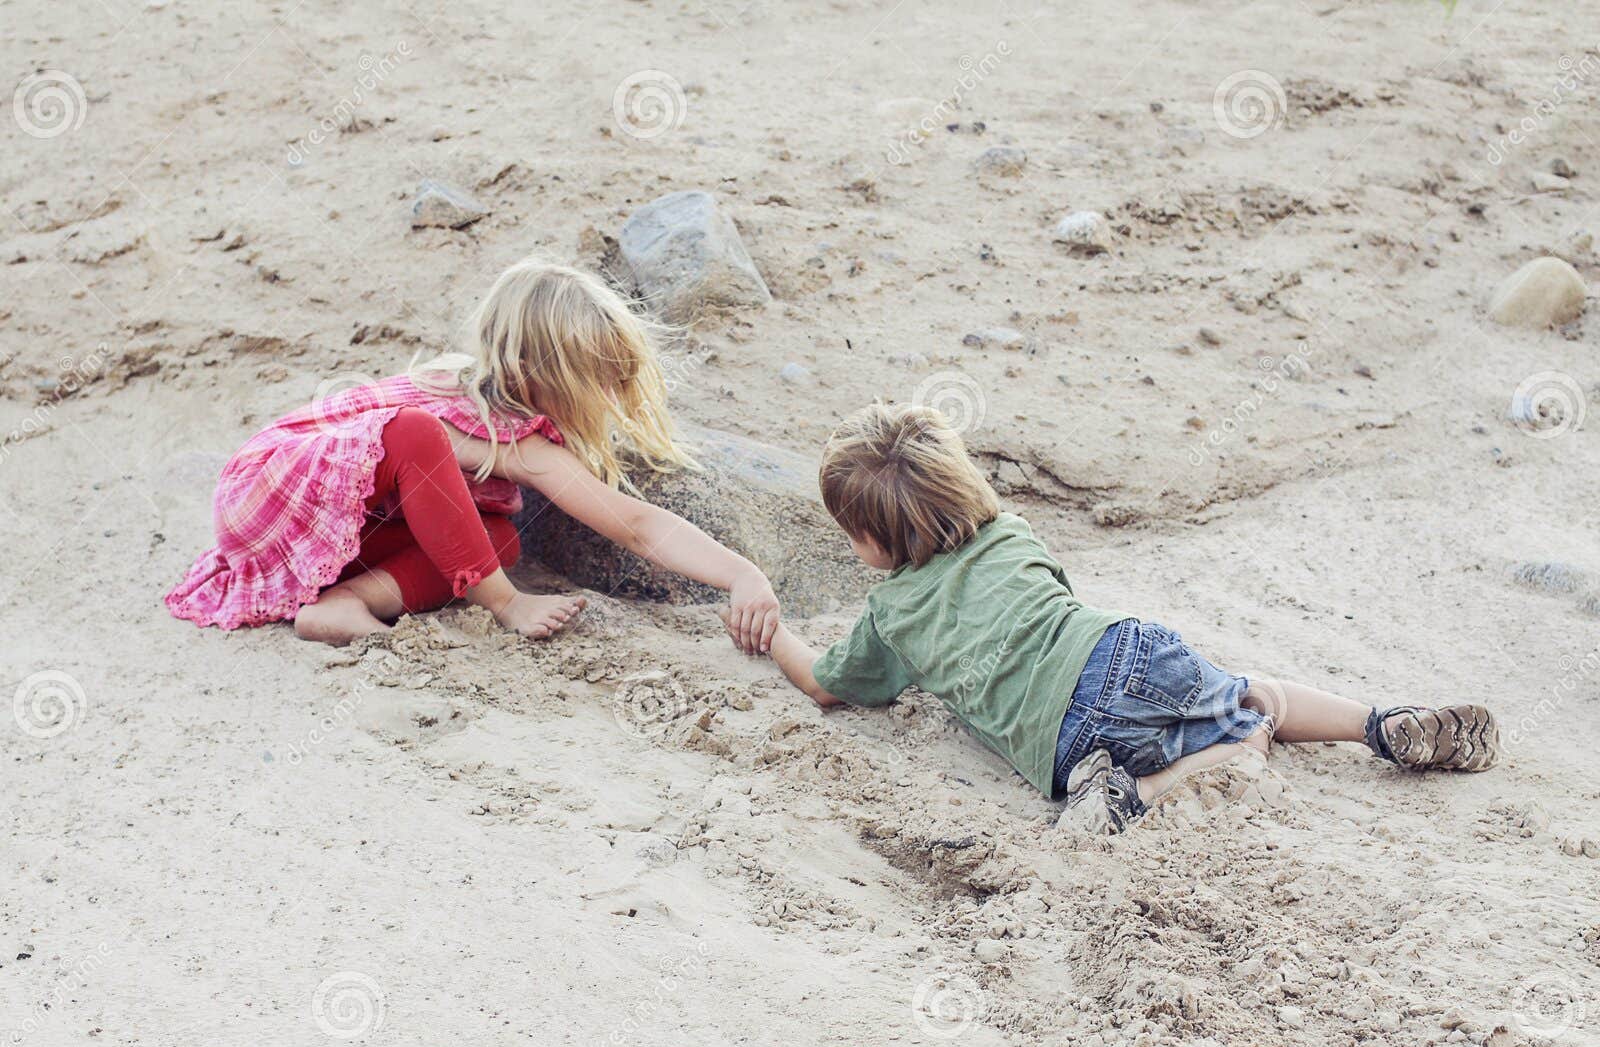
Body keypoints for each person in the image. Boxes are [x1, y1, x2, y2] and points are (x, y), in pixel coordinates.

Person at [729, 402, 1498, 834]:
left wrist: (776, 634)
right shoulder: (1009, 532)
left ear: (873, 538)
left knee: (1212, 738)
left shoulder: (889, 614)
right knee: (1249, 691)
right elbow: (1049, 613)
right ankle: (1377, 725)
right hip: (1127, 650)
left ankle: (1164, 784)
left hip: (1060, 740)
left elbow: (825, 684)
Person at [167, 261, 781, 653]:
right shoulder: (490, 427)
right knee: (415, 436)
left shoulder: (473, 396)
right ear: (541, 374)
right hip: (268, 492)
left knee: (495, 543)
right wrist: (740, 574)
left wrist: (743, 575)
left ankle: (346, 604)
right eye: (600, 380)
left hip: (329, 525)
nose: (612, 399)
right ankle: (505, 603)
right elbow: (636, 525)